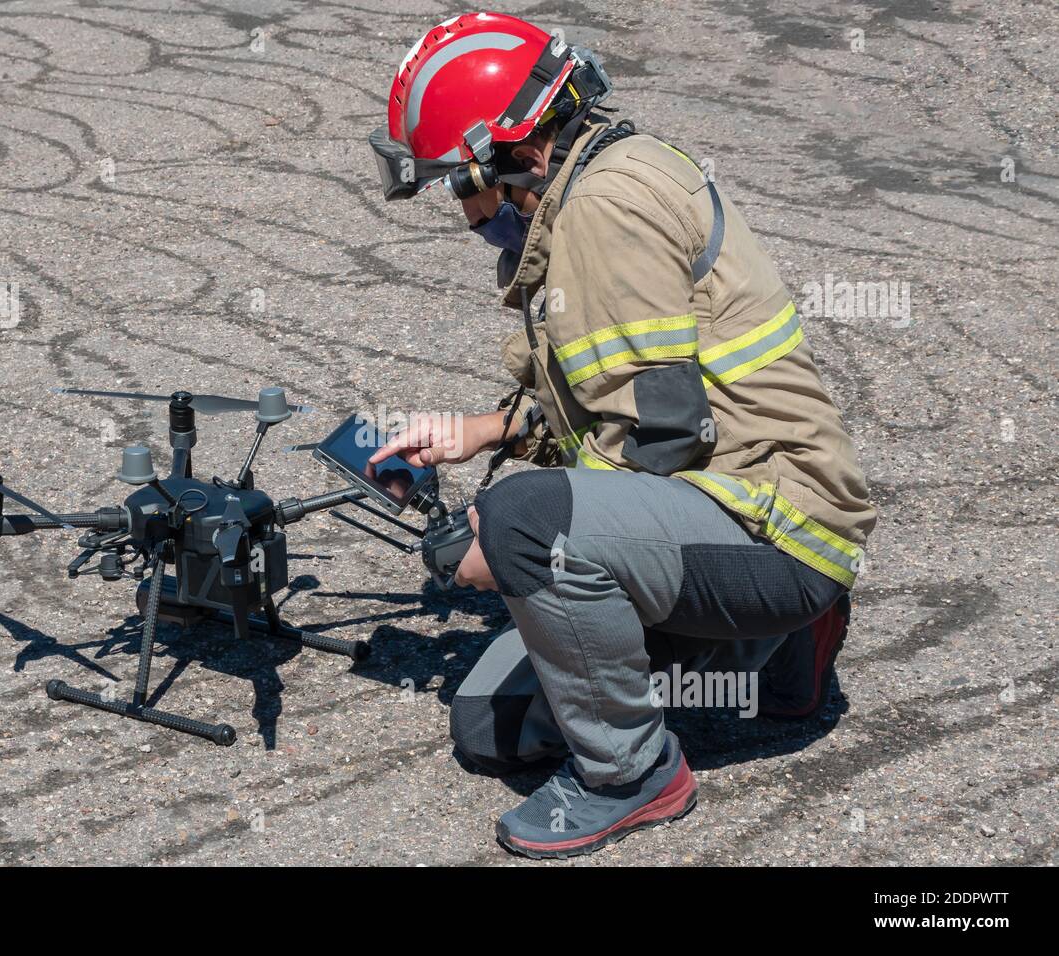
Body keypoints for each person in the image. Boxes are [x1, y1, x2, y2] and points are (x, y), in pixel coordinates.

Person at [368, 12, 877, 859]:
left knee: (528, 525)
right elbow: (622, 400)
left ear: (508, 154)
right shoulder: (602, 178)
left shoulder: (603, 211)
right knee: (491, 728)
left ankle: (631, 774)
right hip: (754, 503)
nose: (464, 215)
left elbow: (659, 438)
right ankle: (779, 645)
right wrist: (486, 429)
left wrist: (501, 539)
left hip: (773, 527)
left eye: (459, 186)